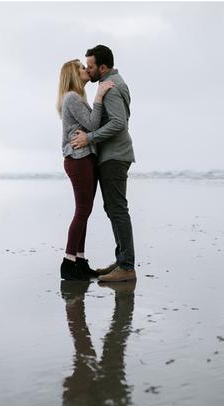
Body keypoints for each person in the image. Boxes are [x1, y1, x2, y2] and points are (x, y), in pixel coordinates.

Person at [71, 45, 136, 282]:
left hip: (115, 157)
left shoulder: (112, 86)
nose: (87, 70)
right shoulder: (110, 83)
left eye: (90, 66)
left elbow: (119, 123)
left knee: (118, 210)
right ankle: (122, 260)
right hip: (113, 155)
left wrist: (89, 137)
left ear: (103, 67)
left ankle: (127, 267)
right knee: (113, 209)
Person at [57, 59, 115, 281]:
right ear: (73, 74)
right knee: (82, 211)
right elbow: (92, 125)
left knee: (85, 211)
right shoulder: (72, 97)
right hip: (78, 159)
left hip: (84, 158)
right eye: (81, 67)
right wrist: (99, 97)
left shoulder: (76, 98)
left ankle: (79, 261)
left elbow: (90, 126)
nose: (85, 70)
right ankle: (68, 263)